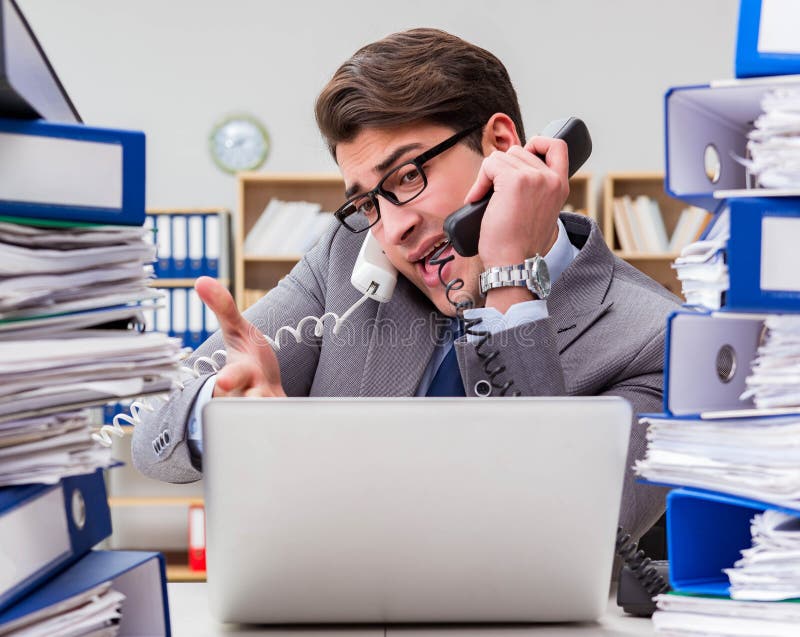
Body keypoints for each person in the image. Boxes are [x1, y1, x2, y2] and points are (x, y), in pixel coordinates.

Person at [132, 28, 680, 541]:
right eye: (367, 202)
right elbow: (151, 429)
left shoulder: (657, 342)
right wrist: (221, 410)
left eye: (408, 177)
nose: (393, 228)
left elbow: (572, 534)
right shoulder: (345, 263)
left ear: (500, 143)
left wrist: (510, 276)